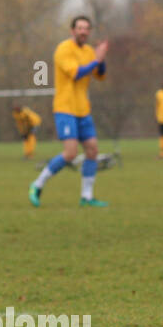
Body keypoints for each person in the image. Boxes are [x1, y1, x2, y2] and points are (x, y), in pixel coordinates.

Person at [29, 16, 109, 208]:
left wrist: (101, 59)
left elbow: (100, 75)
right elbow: (76, 74)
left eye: (86, 28)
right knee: (71, 153)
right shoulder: (64, 49)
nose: (83, 31)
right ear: (72, 30)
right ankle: (37, 184)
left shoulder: (89, 51)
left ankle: (86, 197)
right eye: (80, 28)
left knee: (92, 150)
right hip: (65, 109)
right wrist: (96, 59)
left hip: (83, 109)